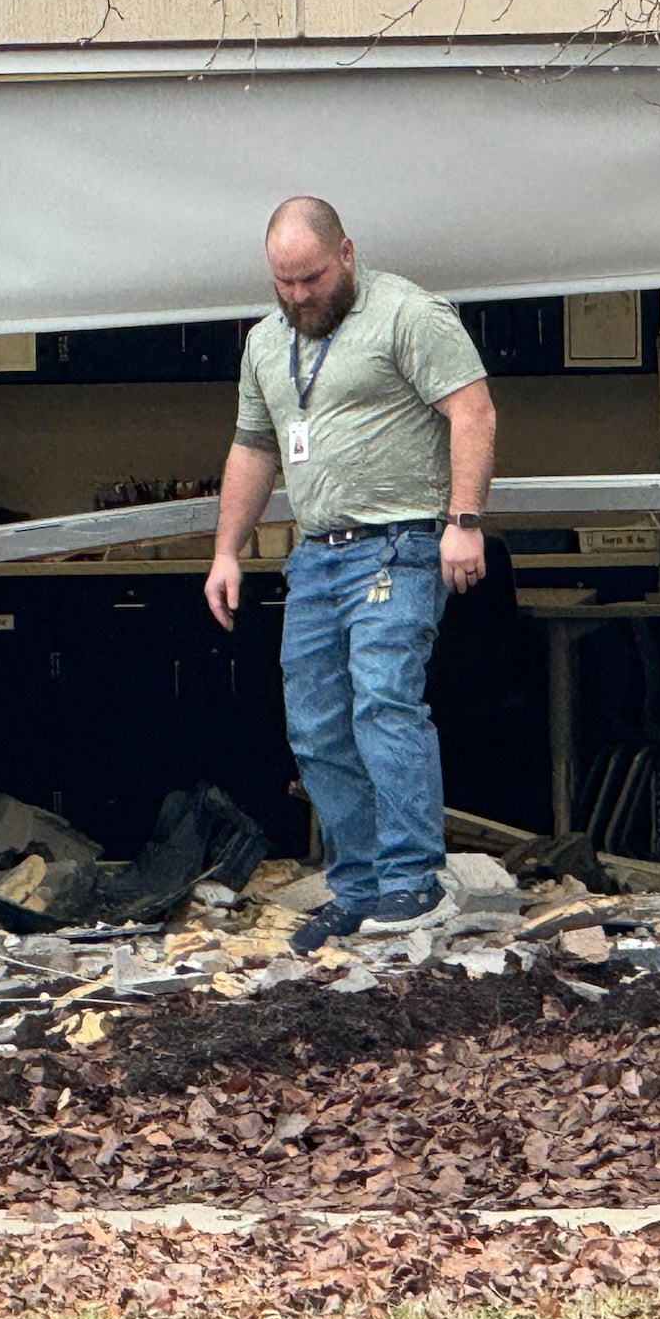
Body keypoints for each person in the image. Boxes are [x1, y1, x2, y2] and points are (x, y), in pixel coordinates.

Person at [206, 197, 497, 953]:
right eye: (283, 283)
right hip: (314, 556)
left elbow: (473, 411)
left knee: (383, 702)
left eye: (308, 278)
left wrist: (464, 522)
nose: (298, 296)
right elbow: (254, 448)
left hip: (399, 545)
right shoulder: (267, 342)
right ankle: (358, 886)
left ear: (346, 254)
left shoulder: (408, 314)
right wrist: (226, 551)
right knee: (316, 725)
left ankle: (412, 880)